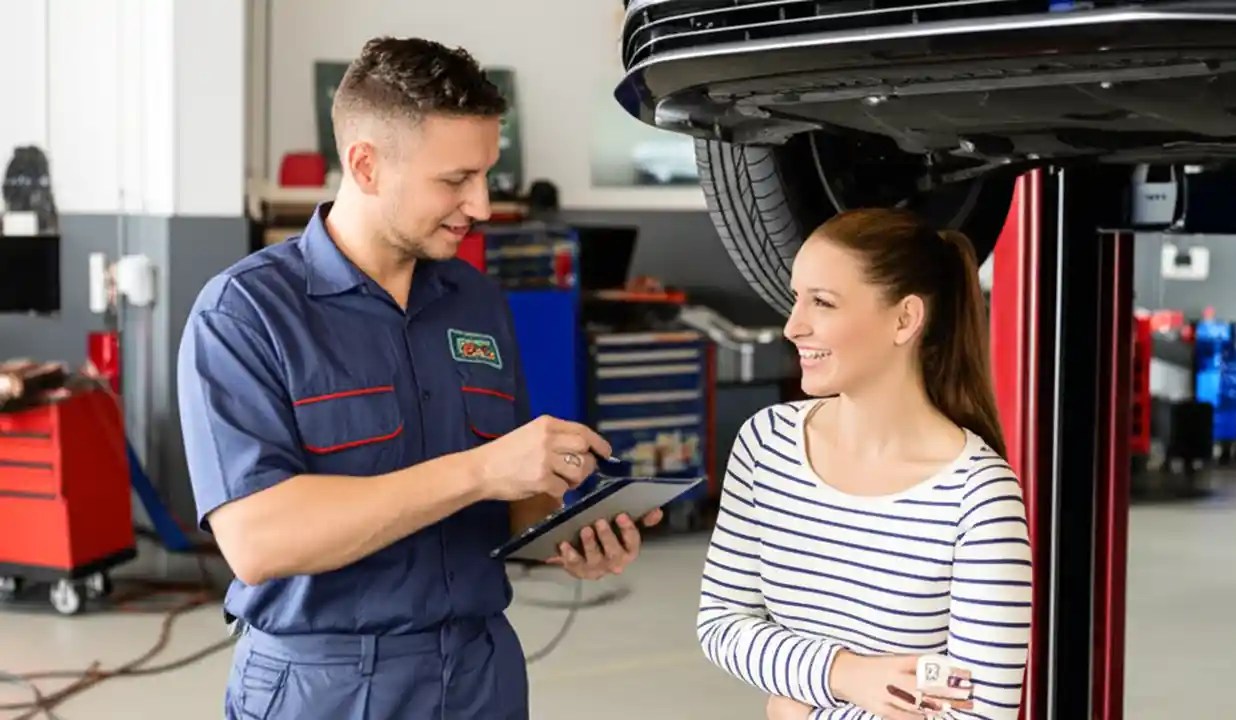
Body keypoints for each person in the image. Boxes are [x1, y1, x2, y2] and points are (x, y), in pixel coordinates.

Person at [177, 36, 661, 720]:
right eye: (456, 179)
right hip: (325, 685)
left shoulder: (478, 301)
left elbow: (513, 501)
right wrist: (482, 471)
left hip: (481, 674)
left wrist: (565, 535)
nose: (484, 204)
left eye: (487, 174)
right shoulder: (246, 314)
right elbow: (259, 542)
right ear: (366, 165)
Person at [695, 208, 1032, 720]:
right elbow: (721, 623)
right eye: (796, 299)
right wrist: (844, 674)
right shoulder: (766, 444)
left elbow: (978, 713)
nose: (793, 326)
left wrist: (800, 712)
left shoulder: (979, 497)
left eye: (823, 303)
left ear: (905, 319)